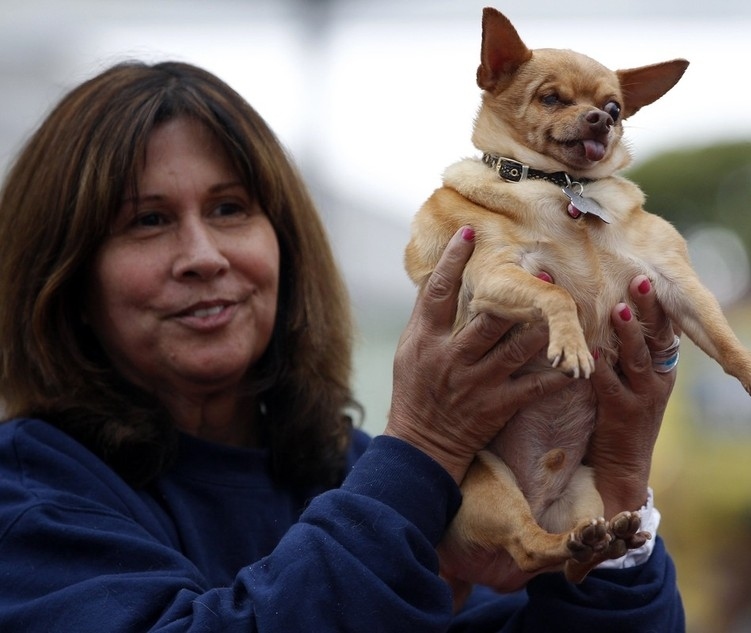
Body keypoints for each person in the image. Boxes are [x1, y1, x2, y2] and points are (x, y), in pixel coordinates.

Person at [0, 60, 685, 631]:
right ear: (65, 277)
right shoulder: (30, 494)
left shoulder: (361, 475)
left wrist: (618, 484)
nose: (202, 255)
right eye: (147, 220)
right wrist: (426, 443)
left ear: (287, 246)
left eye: (230, 208)